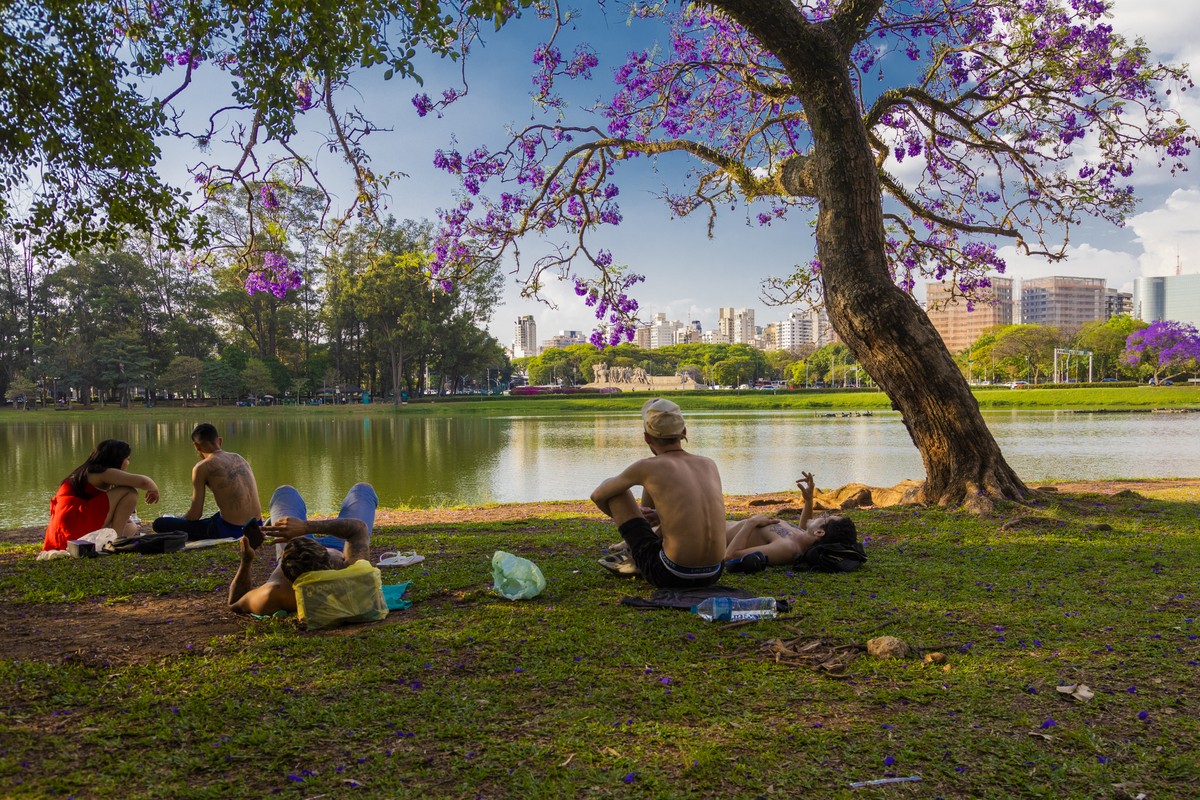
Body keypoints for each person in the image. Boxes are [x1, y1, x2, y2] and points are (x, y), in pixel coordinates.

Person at [590, 398, 726, 588]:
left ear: (647, 437)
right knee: (650, 487)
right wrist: (663, 518)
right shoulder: (708, 464)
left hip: (671, 574)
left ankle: (637, 555)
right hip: (713, 573)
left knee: (614, 490)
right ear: (683, 433)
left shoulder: (648, 466)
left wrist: (635, 524)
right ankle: (649, 543)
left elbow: (598, 495)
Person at [228, 483, 378, 616]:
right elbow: (358, 528)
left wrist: (246, 561)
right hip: (342, 545)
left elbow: (235, 602)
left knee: (284, 492)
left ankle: (282, 525)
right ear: (331, 561)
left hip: (292, 540)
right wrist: (305, 527)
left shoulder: (277, 593)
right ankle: (296, 527)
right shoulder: (351, 574)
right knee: (362, 490)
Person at [724, 471, 859, 571]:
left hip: (709, 535)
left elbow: (730, 557)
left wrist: (751, 522)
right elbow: (803, 528)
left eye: (824, 516)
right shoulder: (801, 537)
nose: (821, 515)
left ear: (819, 532)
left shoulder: (787, 548)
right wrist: (809, 501)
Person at [43, 439, 160, 552]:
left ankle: (113, 538)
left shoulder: (88, 471)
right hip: (74, 521)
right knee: (130, 492)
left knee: (131, 527)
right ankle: (115, 542)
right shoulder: (101, 472)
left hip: (66, 526)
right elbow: (143, 482)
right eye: (127, 459)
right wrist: (153, 489)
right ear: (116, 459)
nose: (128, 463)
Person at [151, 423, 262, 540]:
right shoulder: (239, 457)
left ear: (197, 446)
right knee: (215, 517)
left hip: (230, 530)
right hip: (256, 525)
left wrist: (179, 518)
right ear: (220, 440)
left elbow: (195, 515)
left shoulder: (202, 467)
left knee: (159, 523)